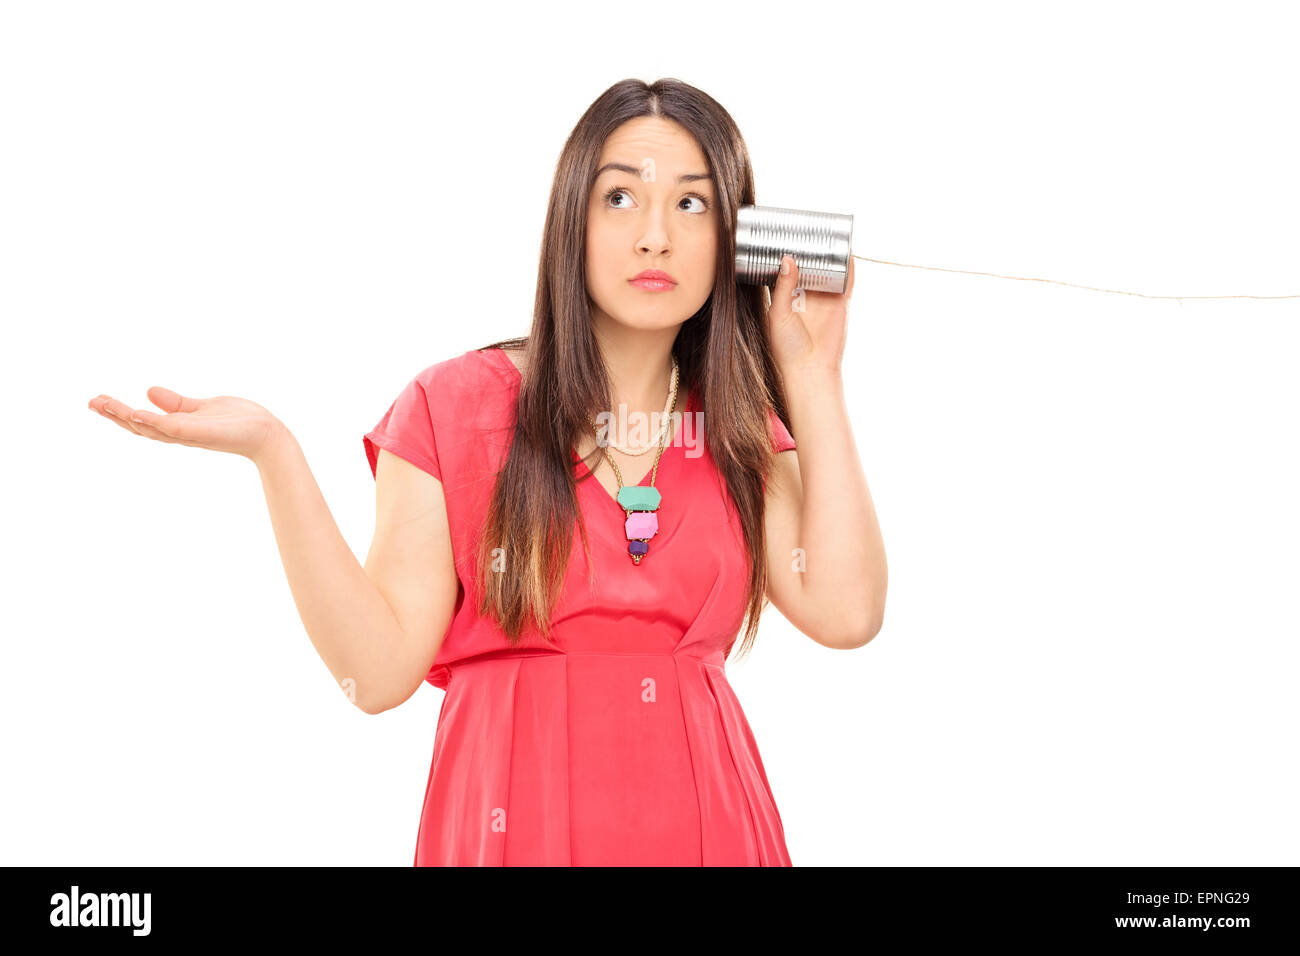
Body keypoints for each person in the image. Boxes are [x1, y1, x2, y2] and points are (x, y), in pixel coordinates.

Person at [87, 77, 888, 866]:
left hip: (712, 832)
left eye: (691, 204)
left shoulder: (740, 430)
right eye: (619, 199)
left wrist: (813, 375)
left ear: (734, 239)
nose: (654, 237)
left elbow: (847, 611)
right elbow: (374, 674)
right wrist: (273, 451)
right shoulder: (454, 405)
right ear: (568, 221)